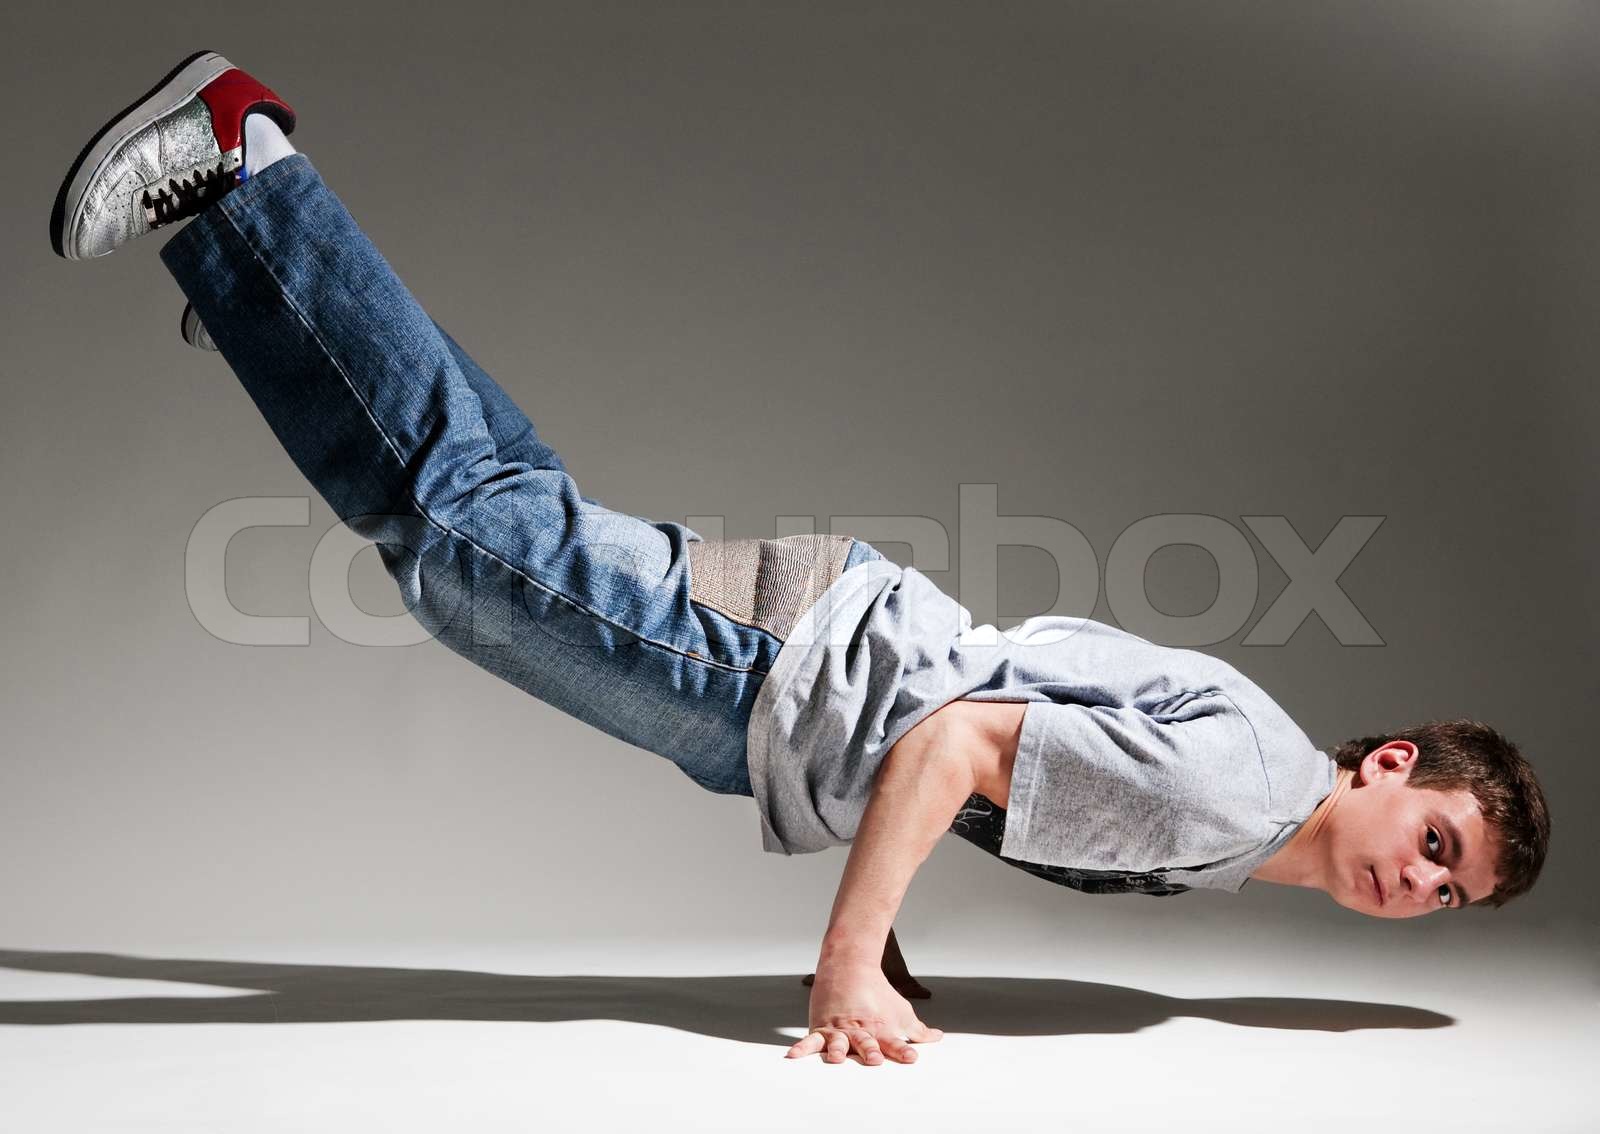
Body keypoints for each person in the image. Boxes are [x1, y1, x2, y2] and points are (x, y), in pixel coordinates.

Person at [50, 51, 1551, 1068]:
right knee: (463, 541)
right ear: (1391, 764)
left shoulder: (1250, 798)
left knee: (492, 512)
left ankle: (269, 291)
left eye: (1449, 898)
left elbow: (985, 713)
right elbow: (955, 741)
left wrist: (884, 945)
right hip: (782, 670)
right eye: (1439, 841)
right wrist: (842, 966)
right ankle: (246, 170)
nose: (1422, 886)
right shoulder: (1236, 791)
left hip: (812, 651)